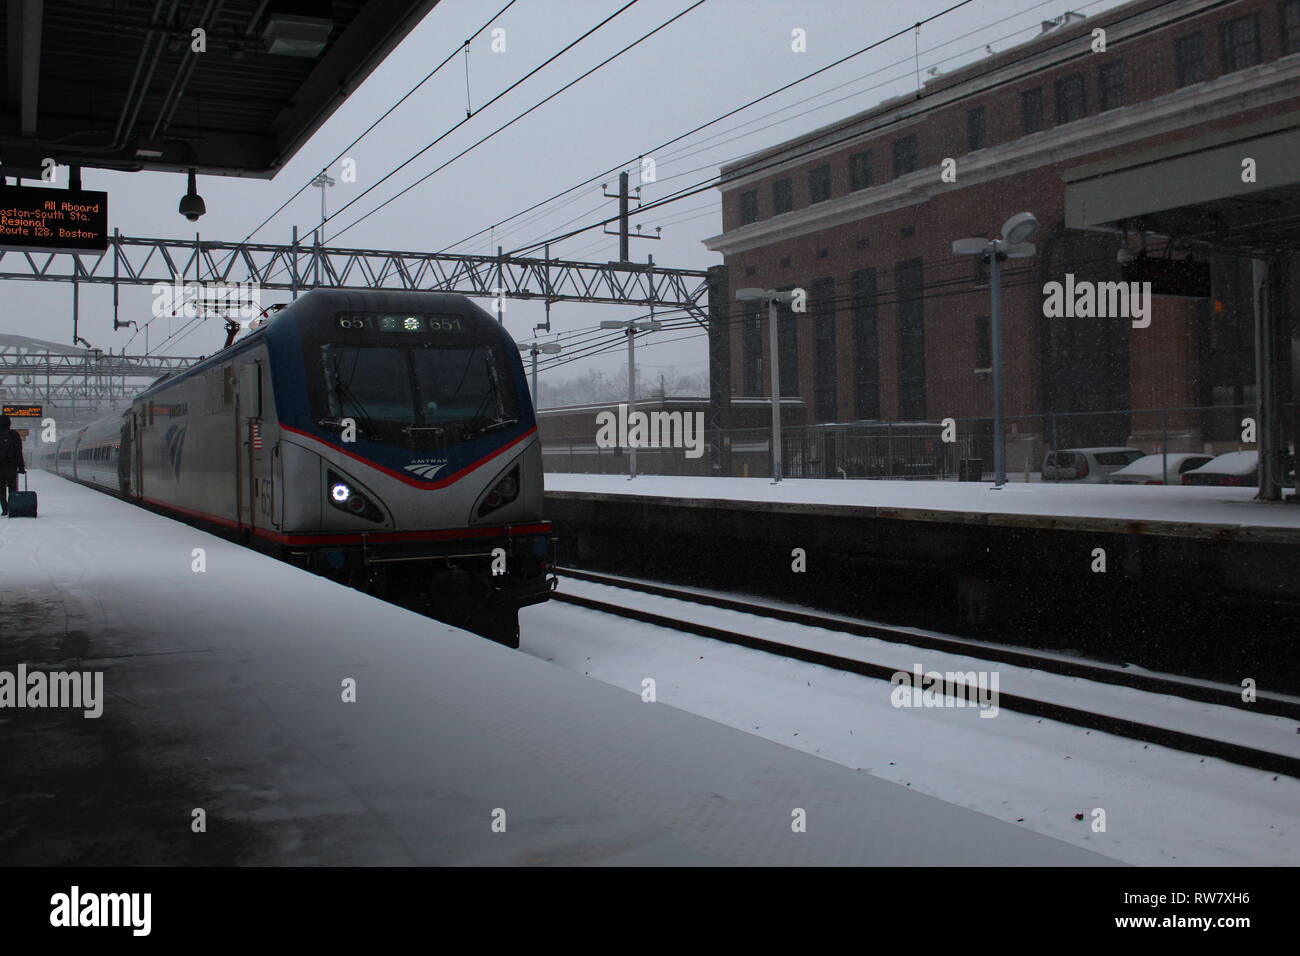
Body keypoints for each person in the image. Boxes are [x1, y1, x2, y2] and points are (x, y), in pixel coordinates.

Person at [0, 415, 26, 516]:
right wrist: (21, 468)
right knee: (12, 488)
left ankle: (4, 509)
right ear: (9, 423)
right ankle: (12, 507)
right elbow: (19, 453)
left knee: (1, 489)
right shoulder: (14, 435)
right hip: (11, 466)